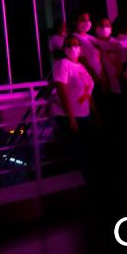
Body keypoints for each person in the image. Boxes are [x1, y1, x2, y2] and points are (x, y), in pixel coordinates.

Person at [51, 36, 96, 182]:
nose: (73, 47)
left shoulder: (82, 67)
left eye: (76, 44)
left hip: (85, 115)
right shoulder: (62, 64)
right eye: (69, 45)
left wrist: (96, 113)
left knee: (88, 153)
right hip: (70, 117)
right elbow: (62, 92)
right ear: (64, 48)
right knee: (77, 155)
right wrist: (70, 117)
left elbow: (88, 92)